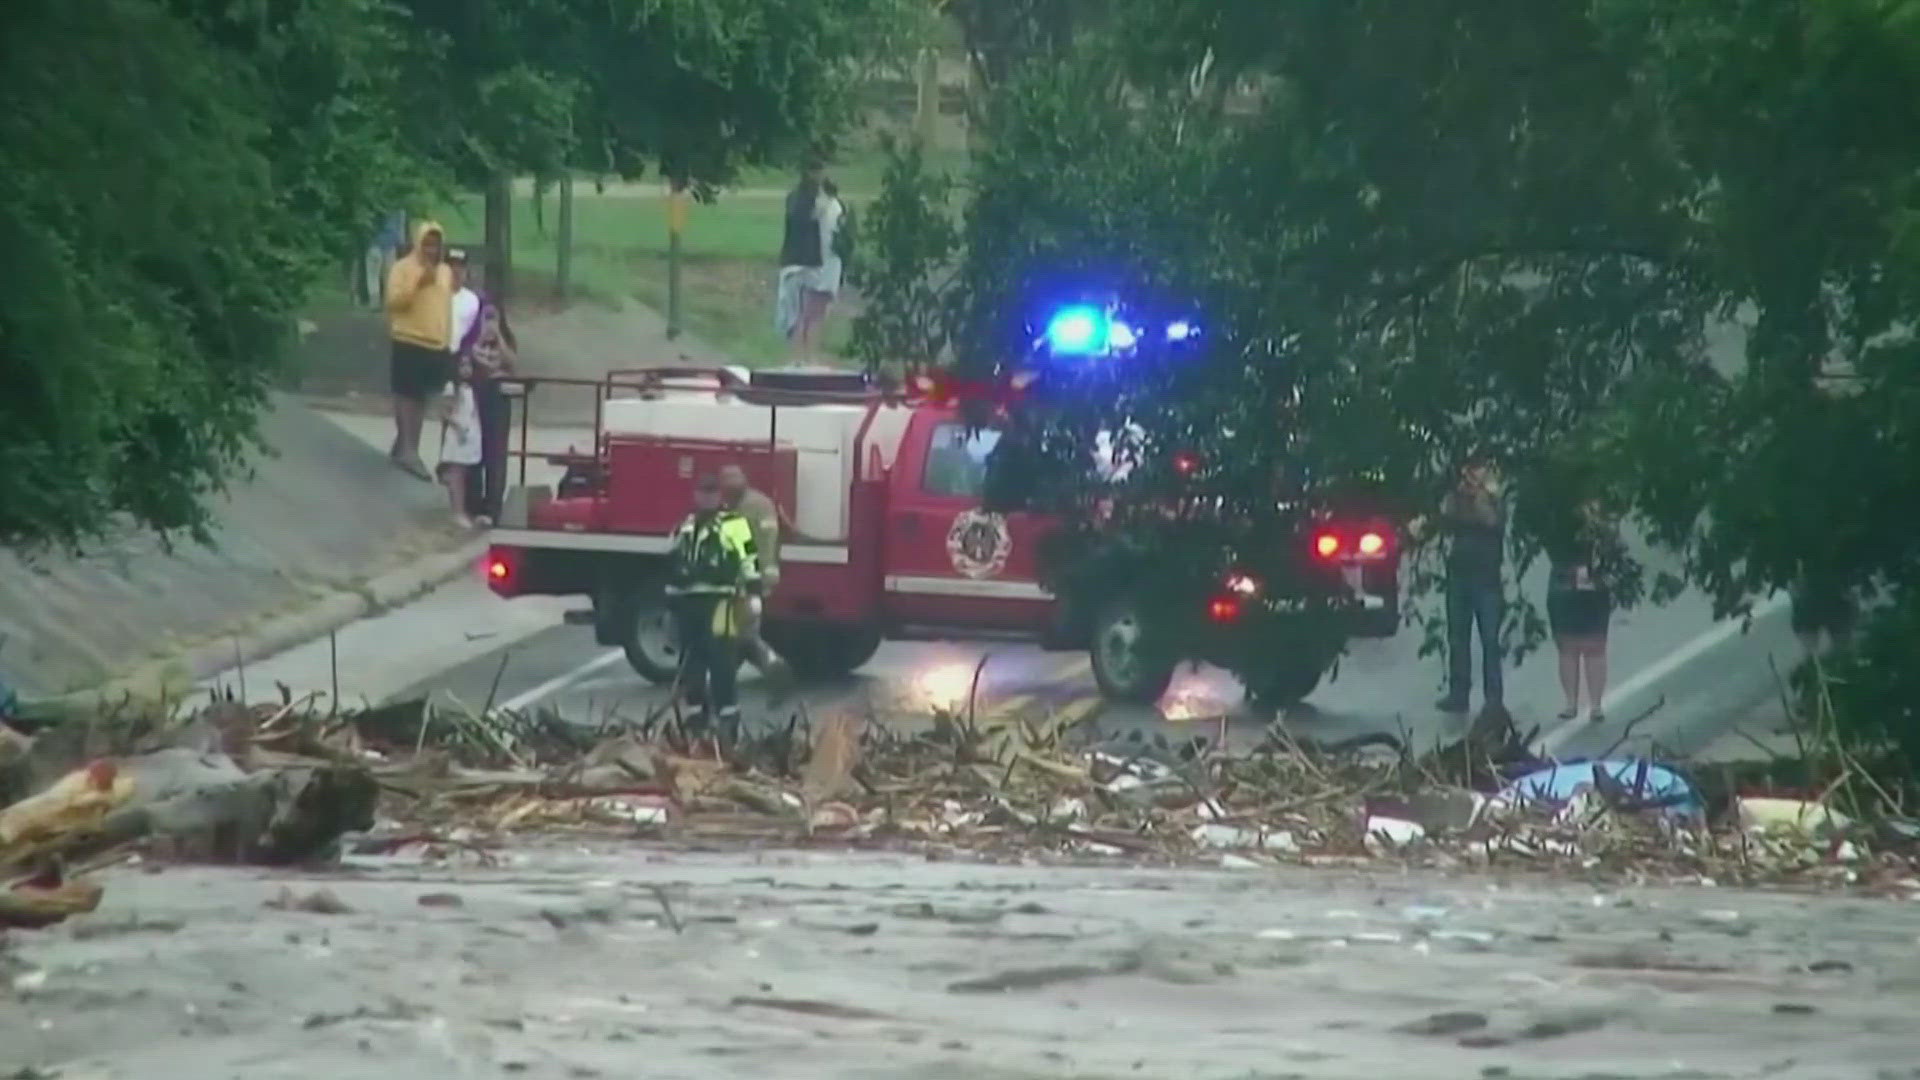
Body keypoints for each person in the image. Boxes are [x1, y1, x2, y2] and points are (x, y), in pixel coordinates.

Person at [666, 475, 763, 745]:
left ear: (719, 495)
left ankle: (728, 722)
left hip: (722, 602)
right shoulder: (685, 526)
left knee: (722, 661)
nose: (706, 497)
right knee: (691, 663)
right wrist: (671, 600)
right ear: (695, 494)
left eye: (711, 492)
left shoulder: (735, 525)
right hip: (689, 603)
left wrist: (754, 594)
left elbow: (749, 558)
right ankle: (696, 721)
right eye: (701, 492)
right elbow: (671, 561)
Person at [1436, 454, 1506, 714]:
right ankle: (1459, 693)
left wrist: (1480, 494)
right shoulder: (1458, 497)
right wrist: (1459, 493)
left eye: (1477, 469)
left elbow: (1491, 521)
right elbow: (1445, 518)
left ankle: (1494, 697)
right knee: (1457, 636)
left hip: (1487, 577)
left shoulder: (1494, 499)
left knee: (1489, 639)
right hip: (1459, 574)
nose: (1472, 474)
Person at [384, 220, 453, 480]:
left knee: (422, 398)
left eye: (436, 246)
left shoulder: (445, 272)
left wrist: (447, 340)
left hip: (435, 343)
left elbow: (445, 308)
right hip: (408, 339)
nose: (432, 251)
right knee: (406, 396)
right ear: (418, 244)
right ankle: (409, 451)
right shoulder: (402, 268)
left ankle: (405, 444)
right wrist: (418, 284)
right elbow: (393, 301)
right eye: (427, 245)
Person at [718, 465, 793, 685]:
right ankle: (726, 675)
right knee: (741, 632)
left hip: (750, 580)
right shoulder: (758, 503)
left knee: (743, 635)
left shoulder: (747, 508)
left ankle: (772, 667)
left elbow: (747, 545)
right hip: (757, 579)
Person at [1545, 497, 1618, 722]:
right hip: (1565, 581)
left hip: (1594, 585)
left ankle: (1596, 705)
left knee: (1595, 646)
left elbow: (1612, 548)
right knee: (1568, 647)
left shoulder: (1603, 525)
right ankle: (1570, 703)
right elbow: (1551, 545)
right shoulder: (1559, 518)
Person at [461, 298, 518, 526]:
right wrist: (480, 338)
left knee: (495, 453)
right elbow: (466, 364)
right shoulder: (470, 339)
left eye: (494, 317)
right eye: (486, 317)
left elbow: (513, 363)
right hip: (474, 394)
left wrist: (499, 339)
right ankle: (472, 504)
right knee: (473, 450)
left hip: (497, 397)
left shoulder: (506, 341)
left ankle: (492, 507)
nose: (490, 322)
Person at [776, 160, 825, 355]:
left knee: (795, 312)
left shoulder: (792, 198)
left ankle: (797, 356)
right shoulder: (814, 200)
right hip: (808, 261)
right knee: (808, 313)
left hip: (792, 260)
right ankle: (805, 356)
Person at [796, 178, 846, 358]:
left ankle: (806, 355)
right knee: (814, 313)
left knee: (811, 313)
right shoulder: (834, 208)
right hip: (825, 266)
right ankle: (806, 355)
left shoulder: (826, 207)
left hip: (824, 265)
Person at [436, 354, 483, 528]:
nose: (466, 370)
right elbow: (445, 412)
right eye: (463, 365)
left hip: (469, 435)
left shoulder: (470, 388)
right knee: (455, 476)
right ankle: (457, 512)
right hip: (457, 435)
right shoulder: (451, 387)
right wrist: (458, 426)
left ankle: (462, 510)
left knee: (463, 474)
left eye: (469, 366)